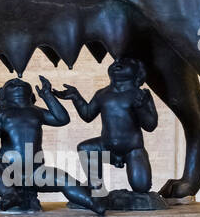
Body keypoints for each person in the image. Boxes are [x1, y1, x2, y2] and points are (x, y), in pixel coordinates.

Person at [0, 75, 105, 214]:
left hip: (36, 171)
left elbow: (62, 119)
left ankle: (93, 203)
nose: (17, 81)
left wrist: (48, 95)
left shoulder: (36, 111)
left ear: (30, 94)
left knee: (64, 179)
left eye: (20, 82)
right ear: (3, 95)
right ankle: (10, 194)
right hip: (8, 169)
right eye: (11, 83)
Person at [54, 57, 158, 194]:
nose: (117, 64)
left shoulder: (140, 94)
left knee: (141, 188)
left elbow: (150, 126)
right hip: (106, 146)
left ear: (138, 72)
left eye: (126, 62)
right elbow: (87, 115)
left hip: (132, 149)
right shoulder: (102, 94)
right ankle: (96, 188)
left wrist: (141, 107)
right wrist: (76, 97)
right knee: (85, 148)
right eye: (114, 62)